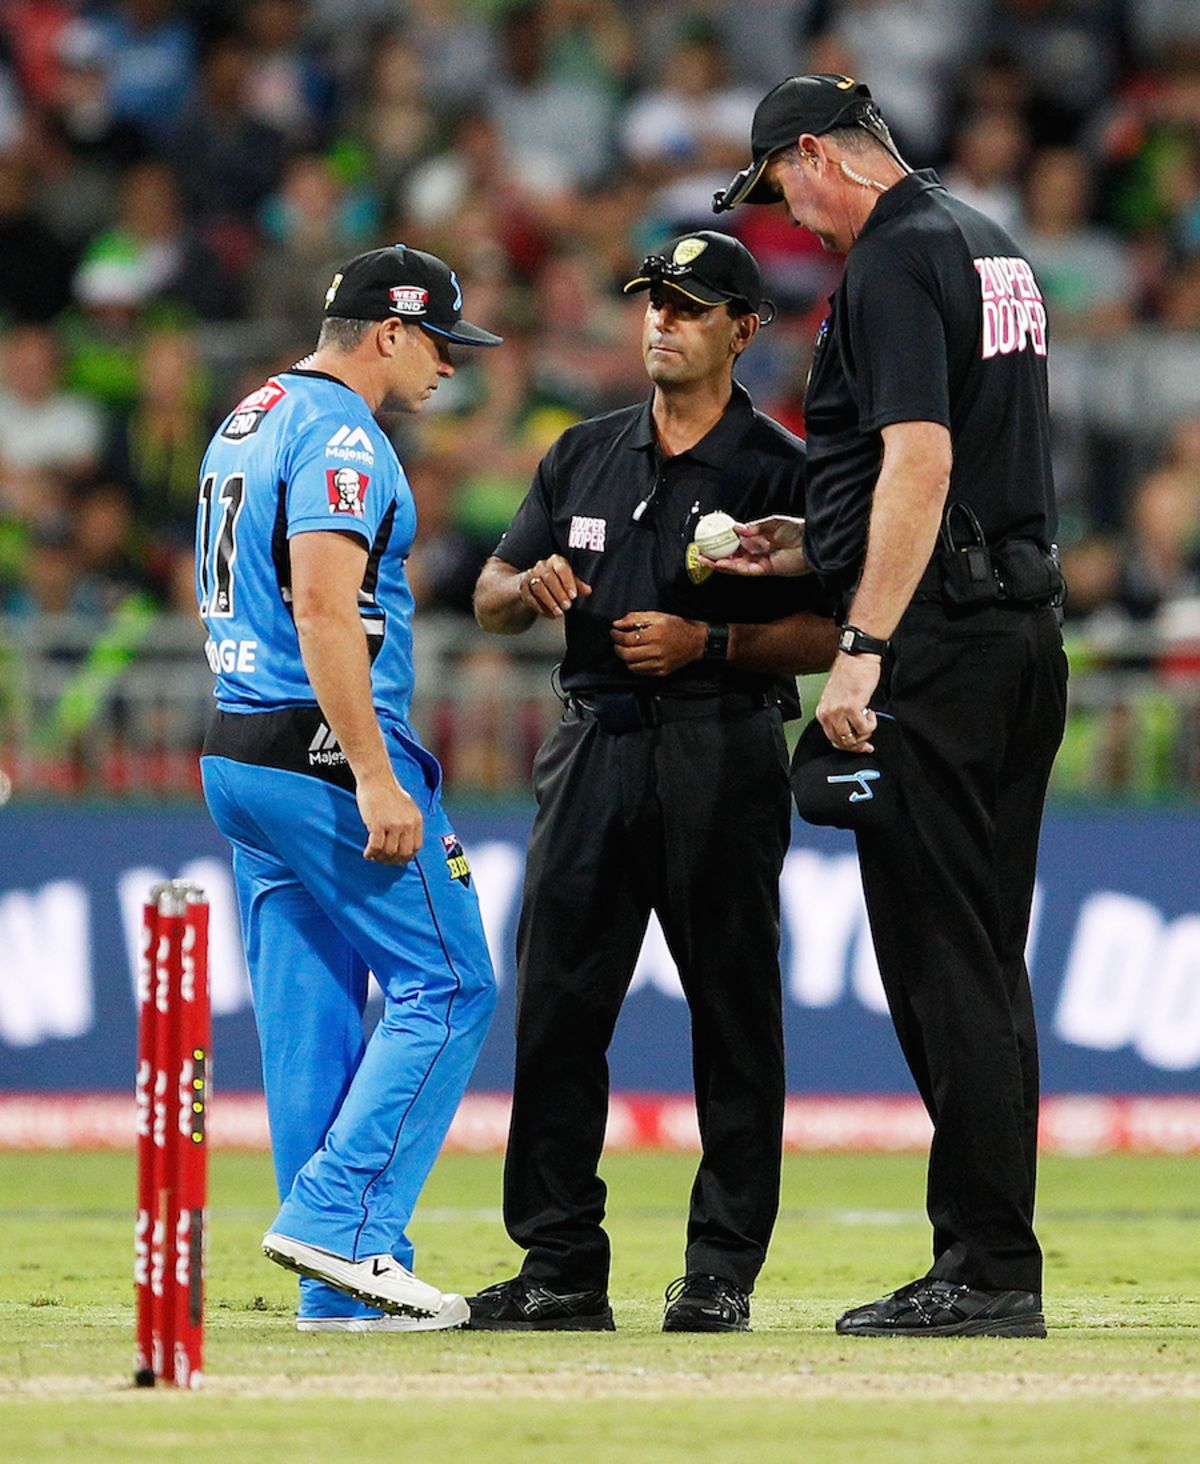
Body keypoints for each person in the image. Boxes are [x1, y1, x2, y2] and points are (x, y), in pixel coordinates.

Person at [712, 74, 1067, 1338]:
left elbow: (922, 458)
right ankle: (990, 1254)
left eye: (777, 189)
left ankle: (984, 1268)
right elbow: (949, 473)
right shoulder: (988, 242)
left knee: (939, 964)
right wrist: (810, 541)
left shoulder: (893, 260)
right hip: (1021, 633)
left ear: (821, 154)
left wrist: (858, 649)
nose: (784, 220)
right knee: (984, 959)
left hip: (941, 651)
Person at [469, 232, 836, 1333]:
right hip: (589, 746)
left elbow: (836, 628)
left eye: (687, 305)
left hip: (718, 744)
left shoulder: (783, 469)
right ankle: (559, 1268)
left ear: (742, 327)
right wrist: (517, 584)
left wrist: (707, 648)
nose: (661, 321)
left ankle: (719, 1270)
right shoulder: (581, 450)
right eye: (651, 303)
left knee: (731, 1010)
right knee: (556, 1009)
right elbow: (487, 590)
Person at [196, 245, 501, 1332]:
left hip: (237, 745)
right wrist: (374, 771)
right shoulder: (341, 435)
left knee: (310, 1022)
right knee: (454, 984)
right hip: (324, 759)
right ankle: (344, 1227)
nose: (449, 369)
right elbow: (326, 610)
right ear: (388, 331)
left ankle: (338, 1291)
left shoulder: (250, 414)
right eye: (440, 344)